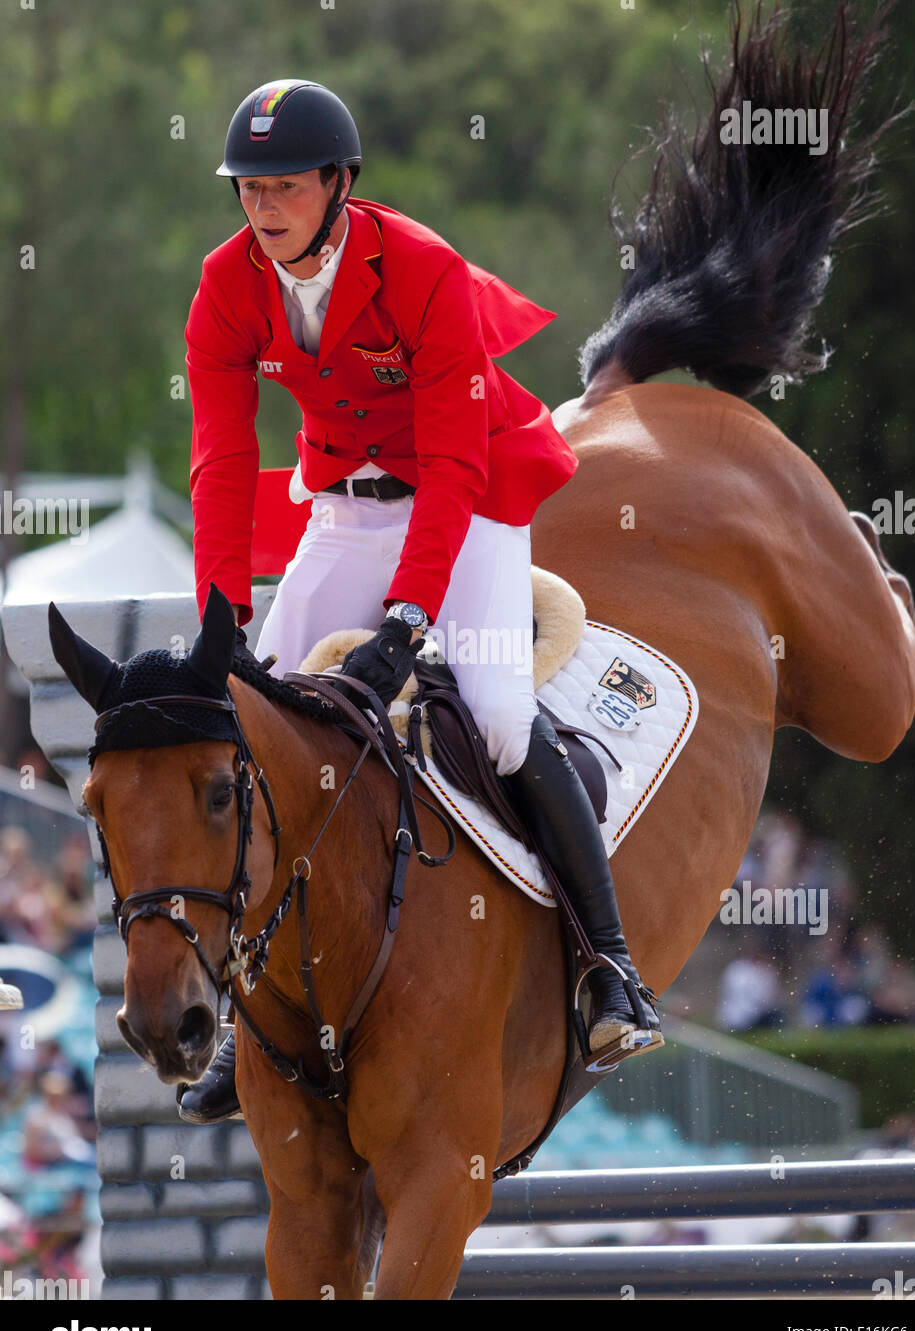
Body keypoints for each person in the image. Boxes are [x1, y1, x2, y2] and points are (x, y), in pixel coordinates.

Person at [178, 79, 660, 1123]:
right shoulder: (224, 286)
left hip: (467, 496)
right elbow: (220, 457)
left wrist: (406, 620)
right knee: (249, 721)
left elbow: (449, 463)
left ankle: (609, 967)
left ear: (339, 186)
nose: (263, 208)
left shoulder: (424, 271)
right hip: (344, 507)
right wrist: (219, 605)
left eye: (286, 187)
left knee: (490, 712)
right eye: (250, 188)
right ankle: (234, 1017)